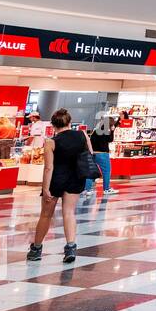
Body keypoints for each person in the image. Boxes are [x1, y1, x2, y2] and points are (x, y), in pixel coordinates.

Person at [29, 109, 88, 263]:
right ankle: (70, 247)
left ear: (53, 125)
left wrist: (45, 188)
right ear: (69, 122)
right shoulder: (83, 135)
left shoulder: (50, 142)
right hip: (75, 178)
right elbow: (89, 155)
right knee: (69, 212)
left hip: (56, 179)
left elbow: (49, 168)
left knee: (46, 215)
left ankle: (36, 249)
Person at [82, 117, 116, 196]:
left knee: (91, 171)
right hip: (103, 154)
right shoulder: (107, 131)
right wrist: (112, 131)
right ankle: (106, 189)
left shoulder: (96, 131)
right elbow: (110, 140)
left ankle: (87, 189)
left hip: (93, 153)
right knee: (106, 171)